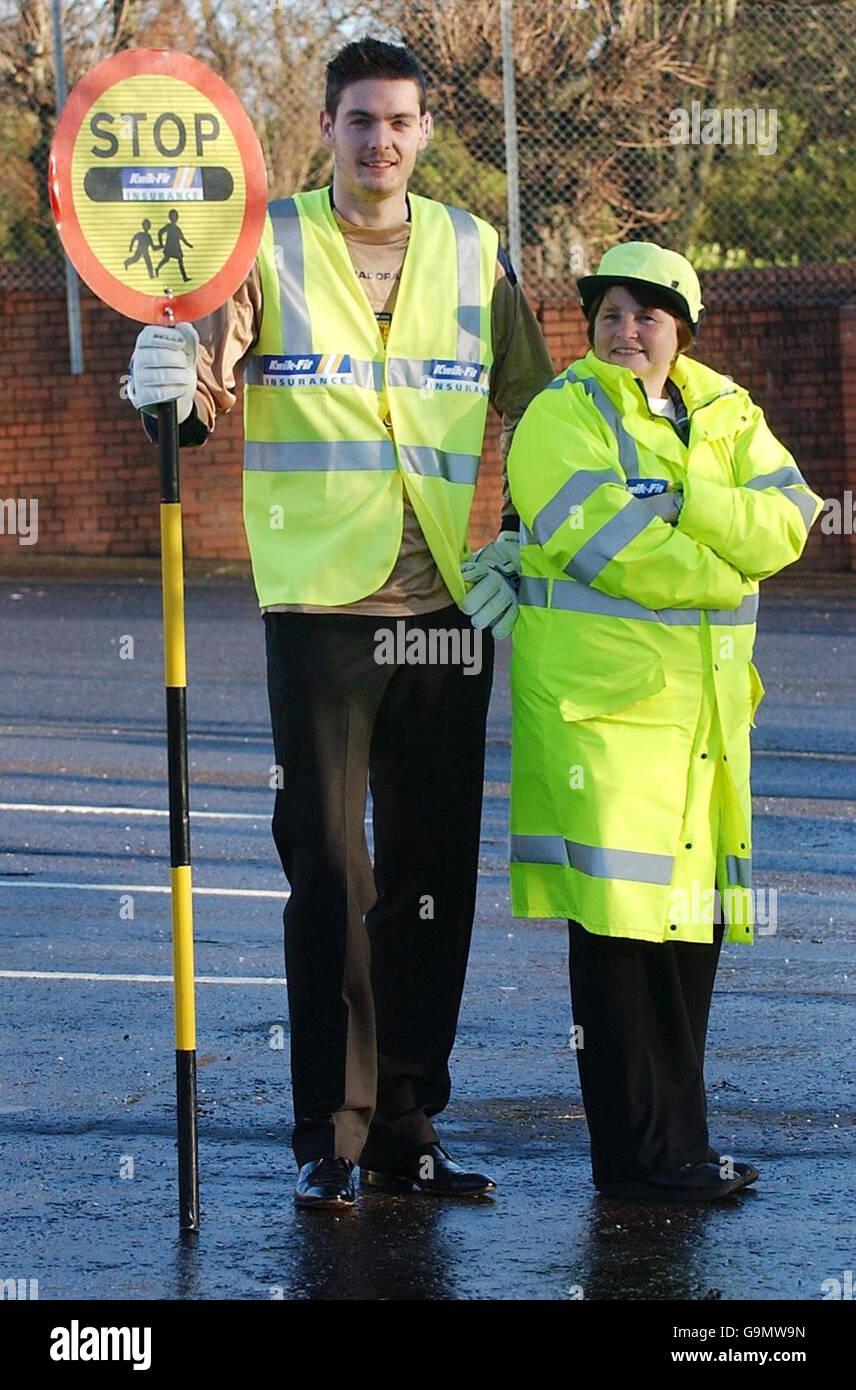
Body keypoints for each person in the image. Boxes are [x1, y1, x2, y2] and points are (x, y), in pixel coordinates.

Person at [127, 38, 554, 1209]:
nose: (381, 140)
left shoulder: (473, 251)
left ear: (425, 132)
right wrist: (168, 383)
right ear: (327, 128)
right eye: (360, 120)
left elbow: (540, 402)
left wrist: (514, 535)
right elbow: (204, 398)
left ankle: (408, 1123)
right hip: (319, 606)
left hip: (443, 612)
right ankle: (332, 1128)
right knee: (327, 865)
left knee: (430, 876)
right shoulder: (268, 240)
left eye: (401, 121)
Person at [506, 242, 823, 1203]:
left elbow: (790, 521)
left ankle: (681, 1149)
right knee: (620, 949)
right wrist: (725, 564)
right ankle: (637, 1161)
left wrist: (687, 497)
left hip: (704, 732)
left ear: (681, 327)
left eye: (646, 315)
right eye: (609, 313)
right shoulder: (561, 415)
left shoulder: (728, 412)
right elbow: (610, 546)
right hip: (604, 729)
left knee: (687, 947)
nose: (625, 331)